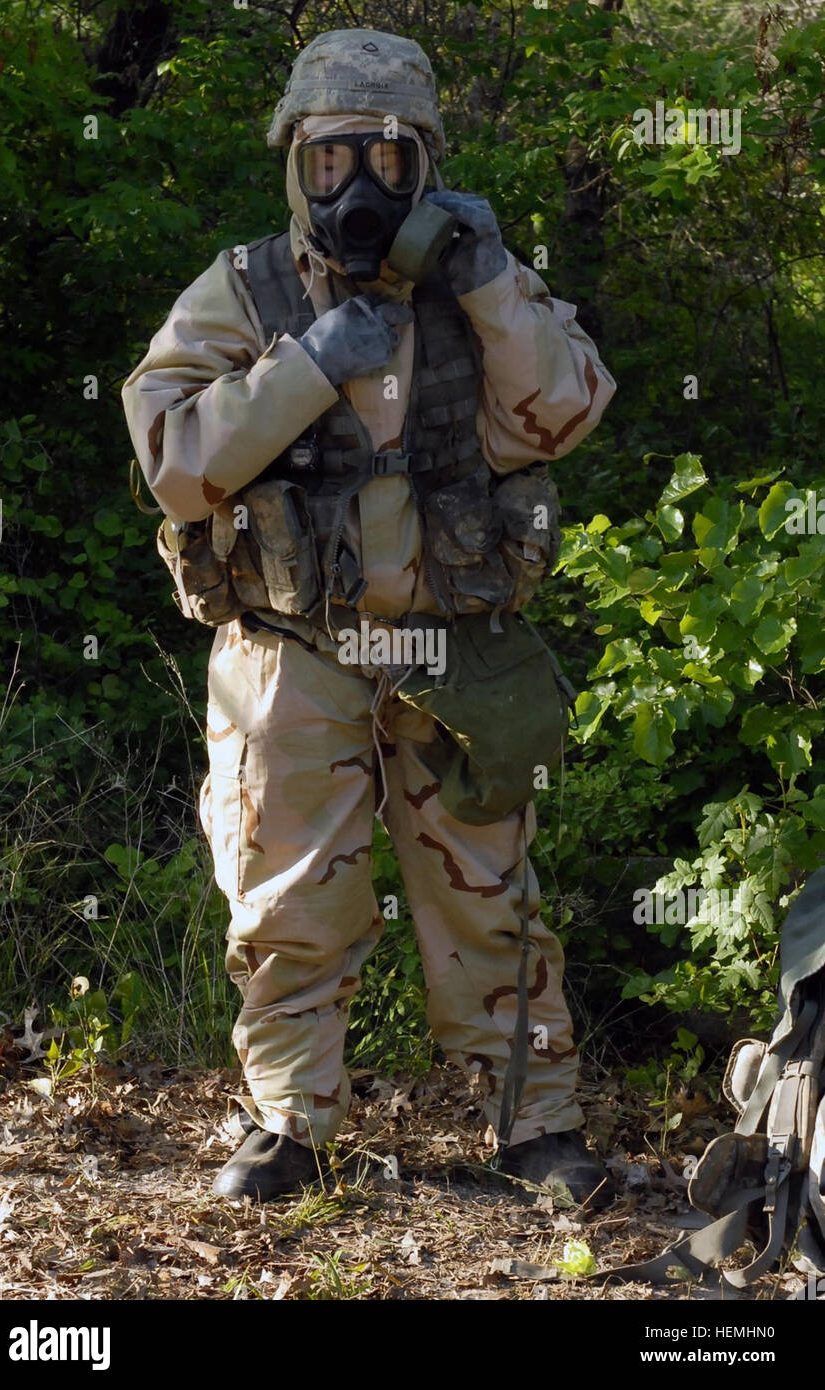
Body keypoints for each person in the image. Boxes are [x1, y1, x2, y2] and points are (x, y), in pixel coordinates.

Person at [121, 28, 617, 1205]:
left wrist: (488, 277)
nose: (361, 188)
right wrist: (305, 365)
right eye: (335, 157)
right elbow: (175, 461)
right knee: (288, 900)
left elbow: (565, 410)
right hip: (292, 651)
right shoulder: (243, 292)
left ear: (429, 169)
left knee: (487, 897)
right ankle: (291, 1124)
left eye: (393, 164)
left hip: (451, 641)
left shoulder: (476, 284)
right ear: (296, 162)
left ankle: (535, 1126)